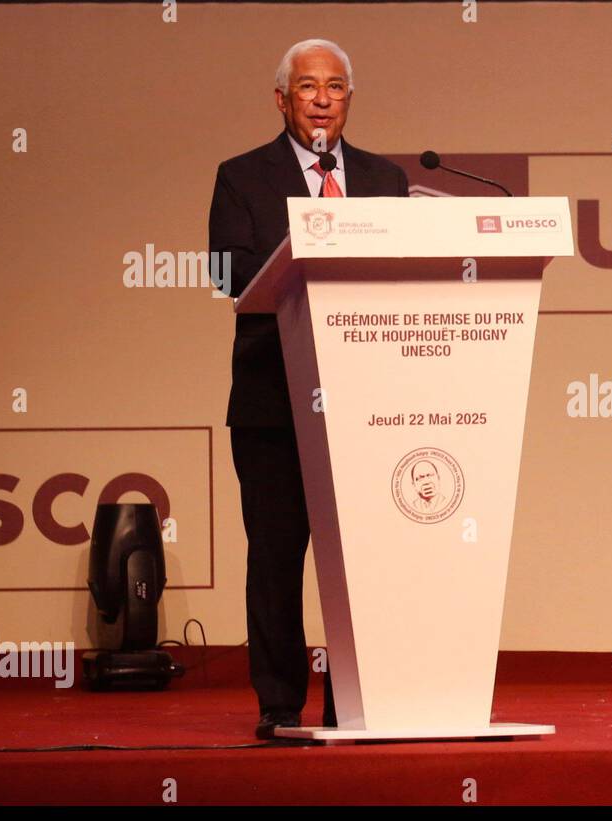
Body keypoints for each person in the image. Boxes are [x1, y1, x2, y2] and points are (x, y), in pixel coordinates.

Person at [209, 38, 411, 738]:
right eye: (306, 87)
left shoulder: (387, 182)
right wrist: (308, 247)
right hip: (274, 401)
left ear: (349, 98)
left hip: (364, 405)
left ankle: (357, 701)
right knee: (274, 556)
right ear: (281, 99)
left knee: (358, 559)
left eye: (334, 86)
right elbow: (228, 275)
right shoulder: (241, 176)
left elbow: (403, 277)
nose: (322, 98)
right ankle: (278, 704)